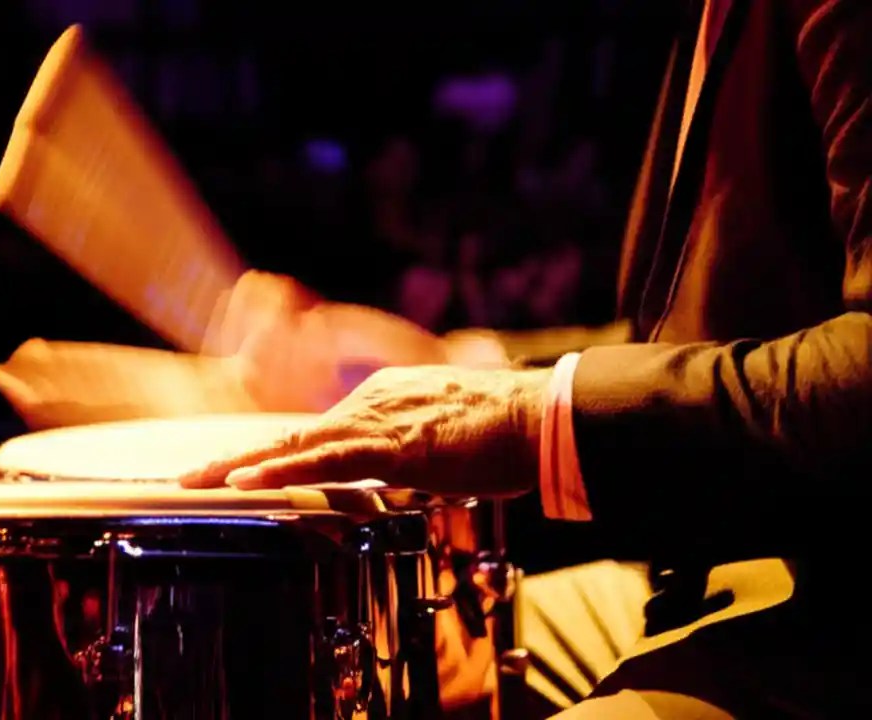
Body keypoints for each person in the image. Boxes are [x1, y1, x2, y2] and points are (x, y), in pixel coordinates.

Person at [182, 0, 872, 717]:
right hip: (718, 572)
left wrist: (528, 418)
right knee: (375, 664)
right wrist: (462, 365)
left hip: (828, 620)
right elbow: (711, 338)